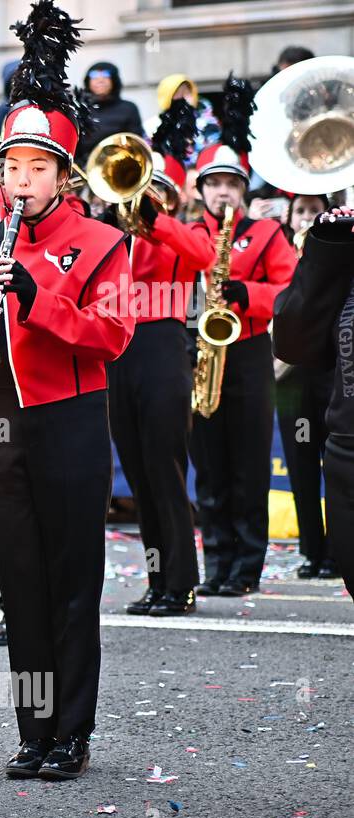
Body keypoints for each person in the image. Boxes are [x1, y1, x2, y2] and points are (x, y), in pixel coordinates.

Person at [0, 0, 134, 782]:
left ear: (63, 175)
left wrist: (38, 296)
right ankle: (33, 729)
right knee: (18, 582)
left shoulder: (103, 243)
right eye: (11, 169)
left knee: (69, 581)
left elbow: (114, 336)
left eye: (37, 169)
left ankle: (72, 731)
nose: (21, 181)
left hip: (69, 423)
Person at [188, 74, 297, 598]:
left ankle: (247, 567)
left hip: (249, 350)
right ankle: (217, 564)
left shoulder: (268, 233)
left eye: (232, 184)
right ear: (203, 190)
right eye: (215, 184)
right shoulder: (189, 235)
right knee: (209, 466)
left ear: (243, 189)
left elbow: (291, 292)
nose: (224, 192)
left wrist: (244, 294)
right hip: (203, 355)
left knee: (248, 462)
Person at [109, 99, 203, 616]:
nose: (147, 200)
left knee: (165, 470)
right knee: (140, 475)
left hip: (163, 347)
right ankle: (157, 581)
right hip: (121, 350)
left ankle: (182, 583)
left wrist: (157, 220)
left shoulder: (175, 231)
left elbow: (204, 256)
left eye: (156, 192)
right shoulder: (117, 233)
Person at [273, 206, 354, 594]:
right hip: (342, 441)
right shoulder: (336, 250)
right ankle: (314, 551)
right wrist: (324, 248)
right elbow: (293, 340)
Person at [75, 61, 143, 164]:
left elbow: (136, 143)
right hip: (84, 170)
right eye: (94, 76)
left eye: (106, 75)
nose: (100, 80)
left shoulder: (129, 108)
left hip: (121, 167)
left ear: (114, 80)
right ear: (88, 81)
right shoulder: (79, 109)